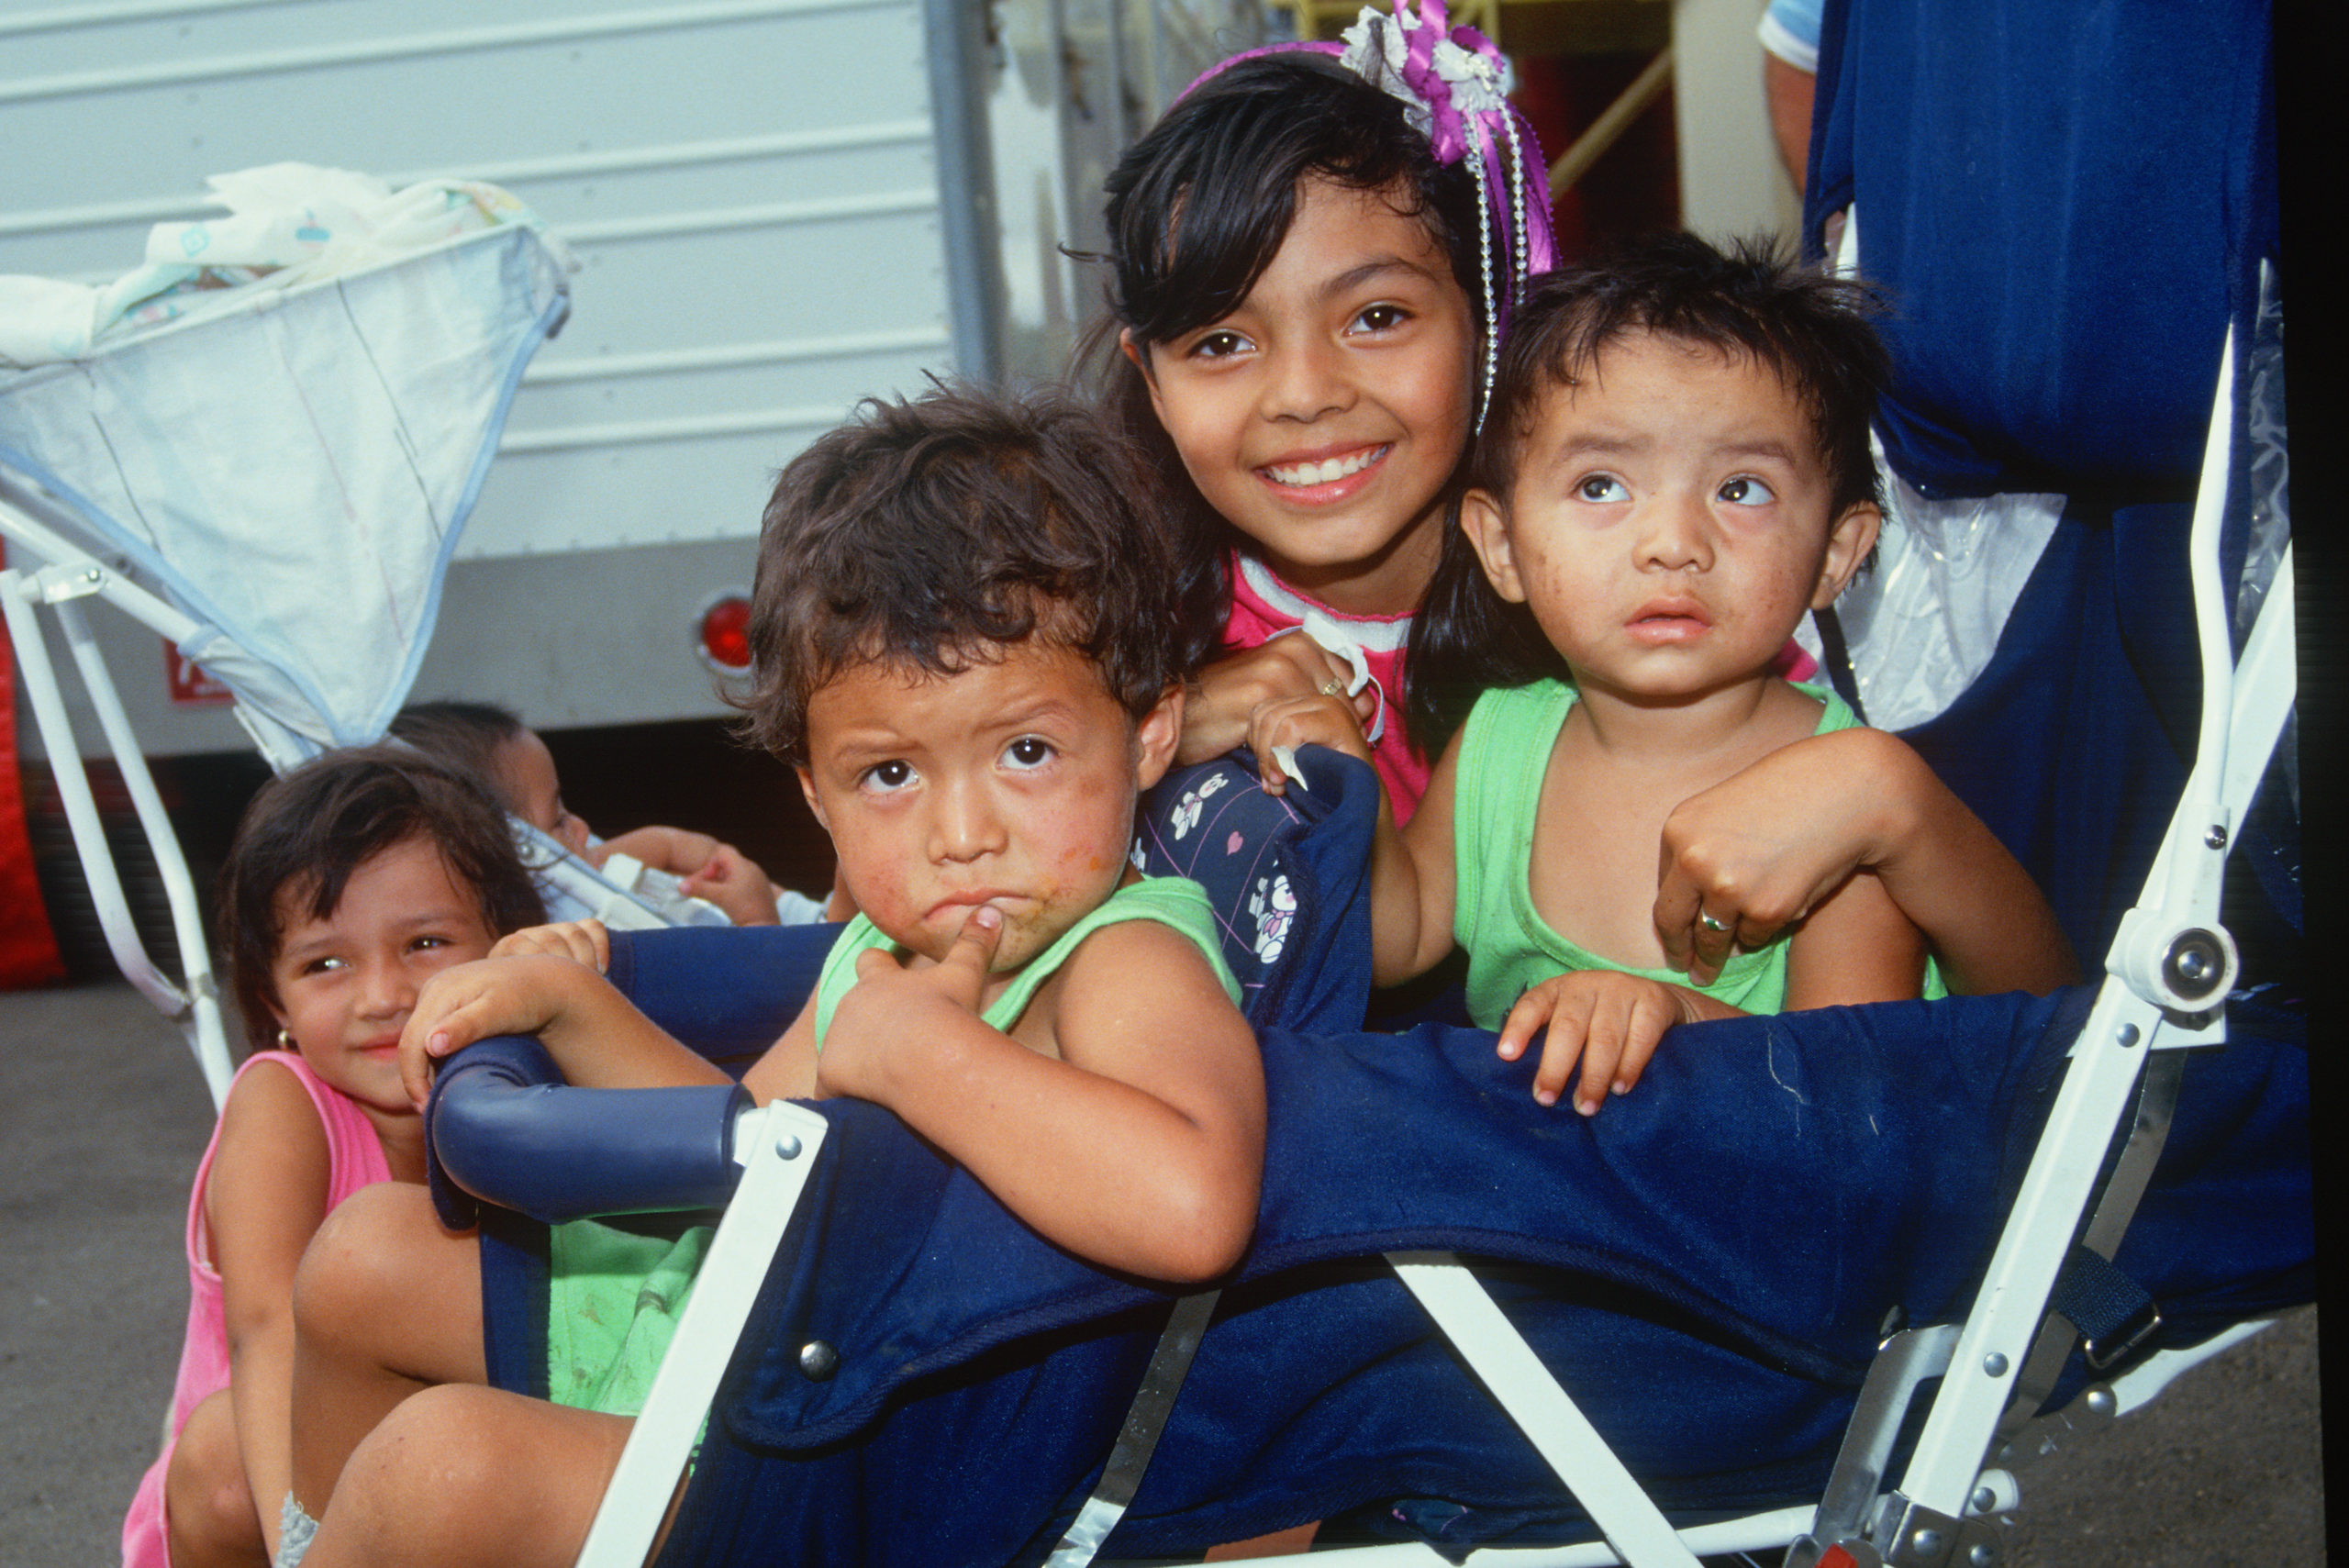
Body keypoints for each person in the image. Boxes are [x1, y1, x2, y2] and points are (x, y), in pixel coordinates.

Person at [265, 385, 1265, 1568]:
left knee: (444, 1466)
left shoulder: (1120, 952)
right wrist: (578, 1008)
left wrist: (927, 1055)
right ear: (813, 791)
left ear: (1147, 733)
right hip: (762, 1358)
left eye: (1026, 752)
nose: (960, 832)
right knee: (358, 1258)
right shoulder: (882, 944)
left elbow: (1194, 1206)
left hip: (874, 1462)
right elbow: (751, 1155)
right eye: (891, 773)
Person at [1097, 4, 2056, 1007]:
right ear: (1148, 376)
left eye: (1377, 316)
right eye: (1219, 341)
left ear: (1487, 318)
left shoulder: (1691, 626)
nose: (1302, 392)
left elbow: (1878, 1074)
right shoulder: (1132, 626)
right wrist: (1140, 743)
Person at [1256, 235, 2074, 1115]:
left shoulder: (1836, 803)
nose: (1673, 543)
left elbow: (1849, 1098)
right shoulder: (1503, 735)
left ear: (1837, 553)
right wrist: (1344, 777)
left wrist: (1676, 1013)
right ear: (1501, 547)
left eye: (1743, 489)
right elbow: (1401, 933)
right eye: (1602, 485)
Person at [120, 748, 546, 1568]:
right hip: (279, 1482)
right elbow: (266, 1324)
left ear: (507, 941)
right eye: (326, 964)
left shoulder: (527, 1082)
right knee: (219, 1463)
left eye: (425, 942)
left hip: (445, 1465)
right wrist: (298, 1546)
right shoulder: (284, 1104)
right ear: (274, 996)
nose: (383, 994)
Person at [386, 700, 829, 927]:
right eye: (557, 820)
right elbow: (759, 1003)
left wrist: (684, 847)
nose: (582, 827)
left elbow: (645, 845)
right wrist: (757, 921)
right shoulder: (603, 938)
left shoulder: (584, 869)